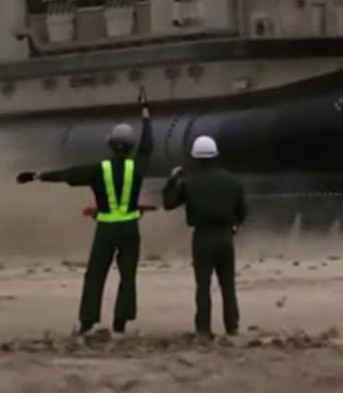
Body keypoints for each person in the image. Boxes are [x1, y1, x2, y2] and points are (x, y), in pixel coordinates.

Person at [16, 88, 153, 335]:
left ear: (110, 144)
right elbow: (148, 144)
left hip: (106, 229)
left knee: (95, 275)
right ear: (131, 146)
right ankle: (121, 322)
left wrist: (38, 176)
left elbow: (68, 174)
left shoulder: (98, 169)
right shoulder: (138, 166)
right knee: (128, 276)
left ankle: (88, 321)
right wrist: (145, 111)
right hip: (131, 228)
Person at [163, 135, 247, 337]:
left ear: (195, 158)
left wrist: (172, 180)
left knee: (203, 285)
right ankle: (232, 326)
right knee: (228, 285)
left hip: (202, 238)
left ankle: (203, 328)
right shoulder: (233, 181)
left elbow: (169, 203)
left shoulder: (188, 182)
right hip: (226, 237)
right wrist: (234, 225)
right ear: (215, 155)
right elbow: (242, 212)